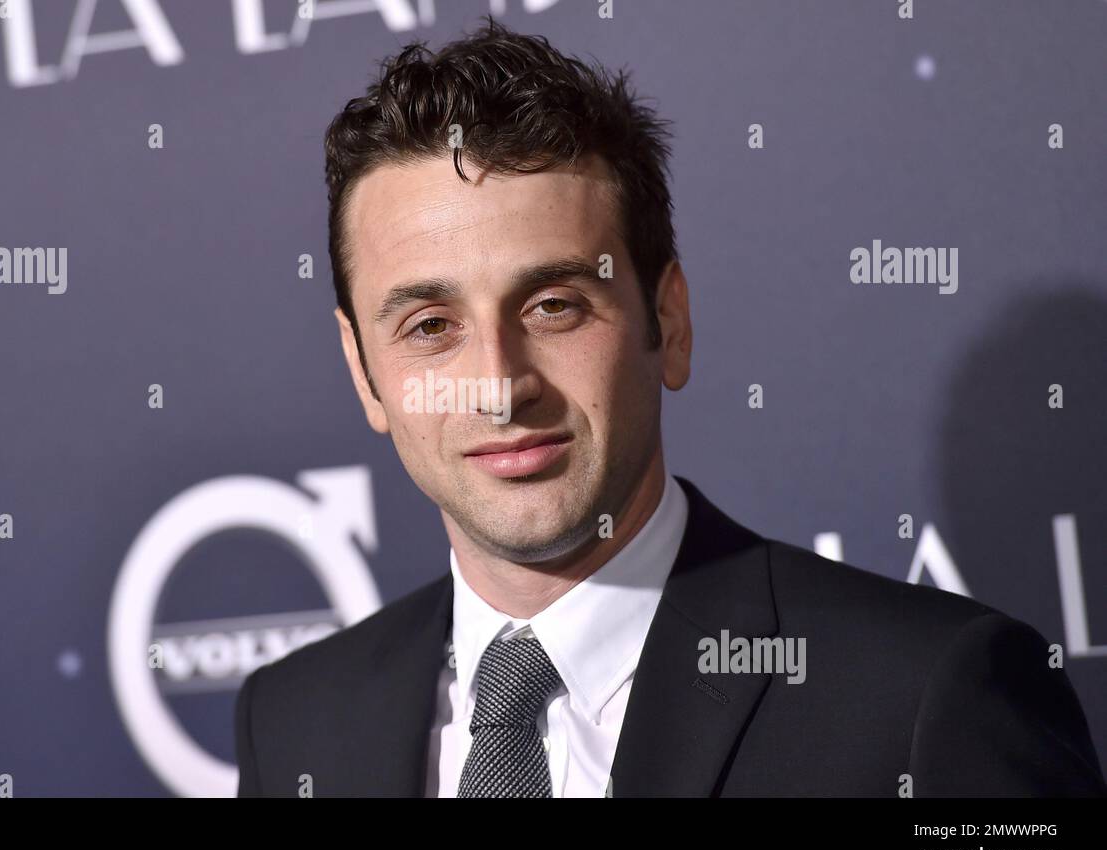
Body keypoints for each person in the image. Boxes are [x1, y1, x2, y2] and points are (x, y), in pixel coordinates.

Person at [233, 19, 1104, 798]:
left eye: (555, 305)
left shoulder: (923, 698)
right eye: (429, 326)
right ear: (363, 370)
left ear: (670, 321)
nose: (497, 385)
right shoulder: (296, 724)